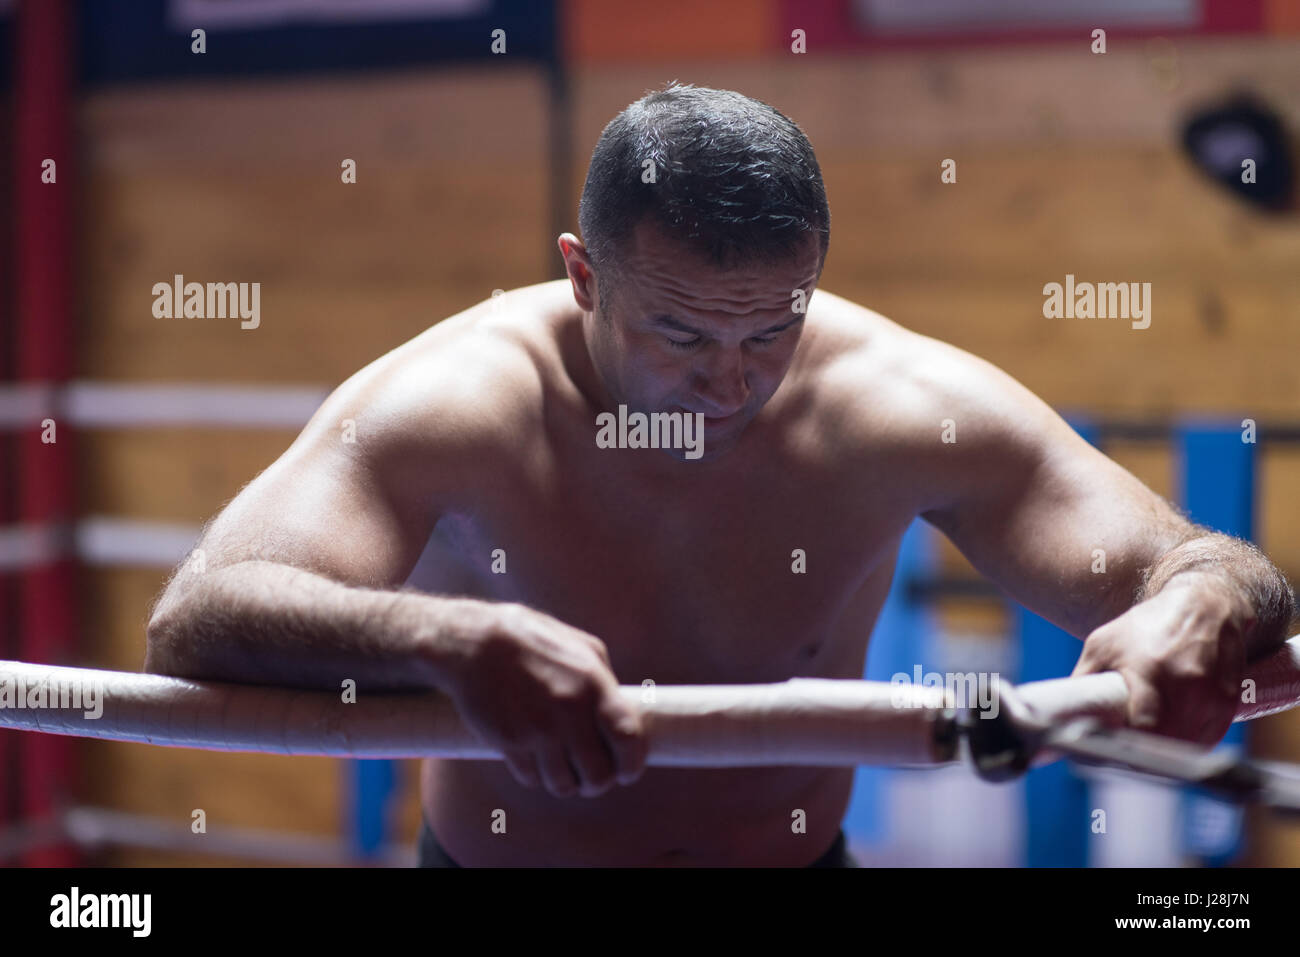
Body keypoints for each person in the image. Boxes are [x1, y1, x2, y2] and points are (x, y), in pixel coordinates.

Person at [144, 82, 1295, 867]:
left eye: (769, 334)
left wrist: (1196, 610)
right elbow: (197, 618)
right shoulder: (452, 403)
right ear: (584, 277)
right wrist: (447, 645)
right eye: (684, 337)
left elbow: (1191, 564)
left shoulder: (899, 402)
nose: (730, 385)